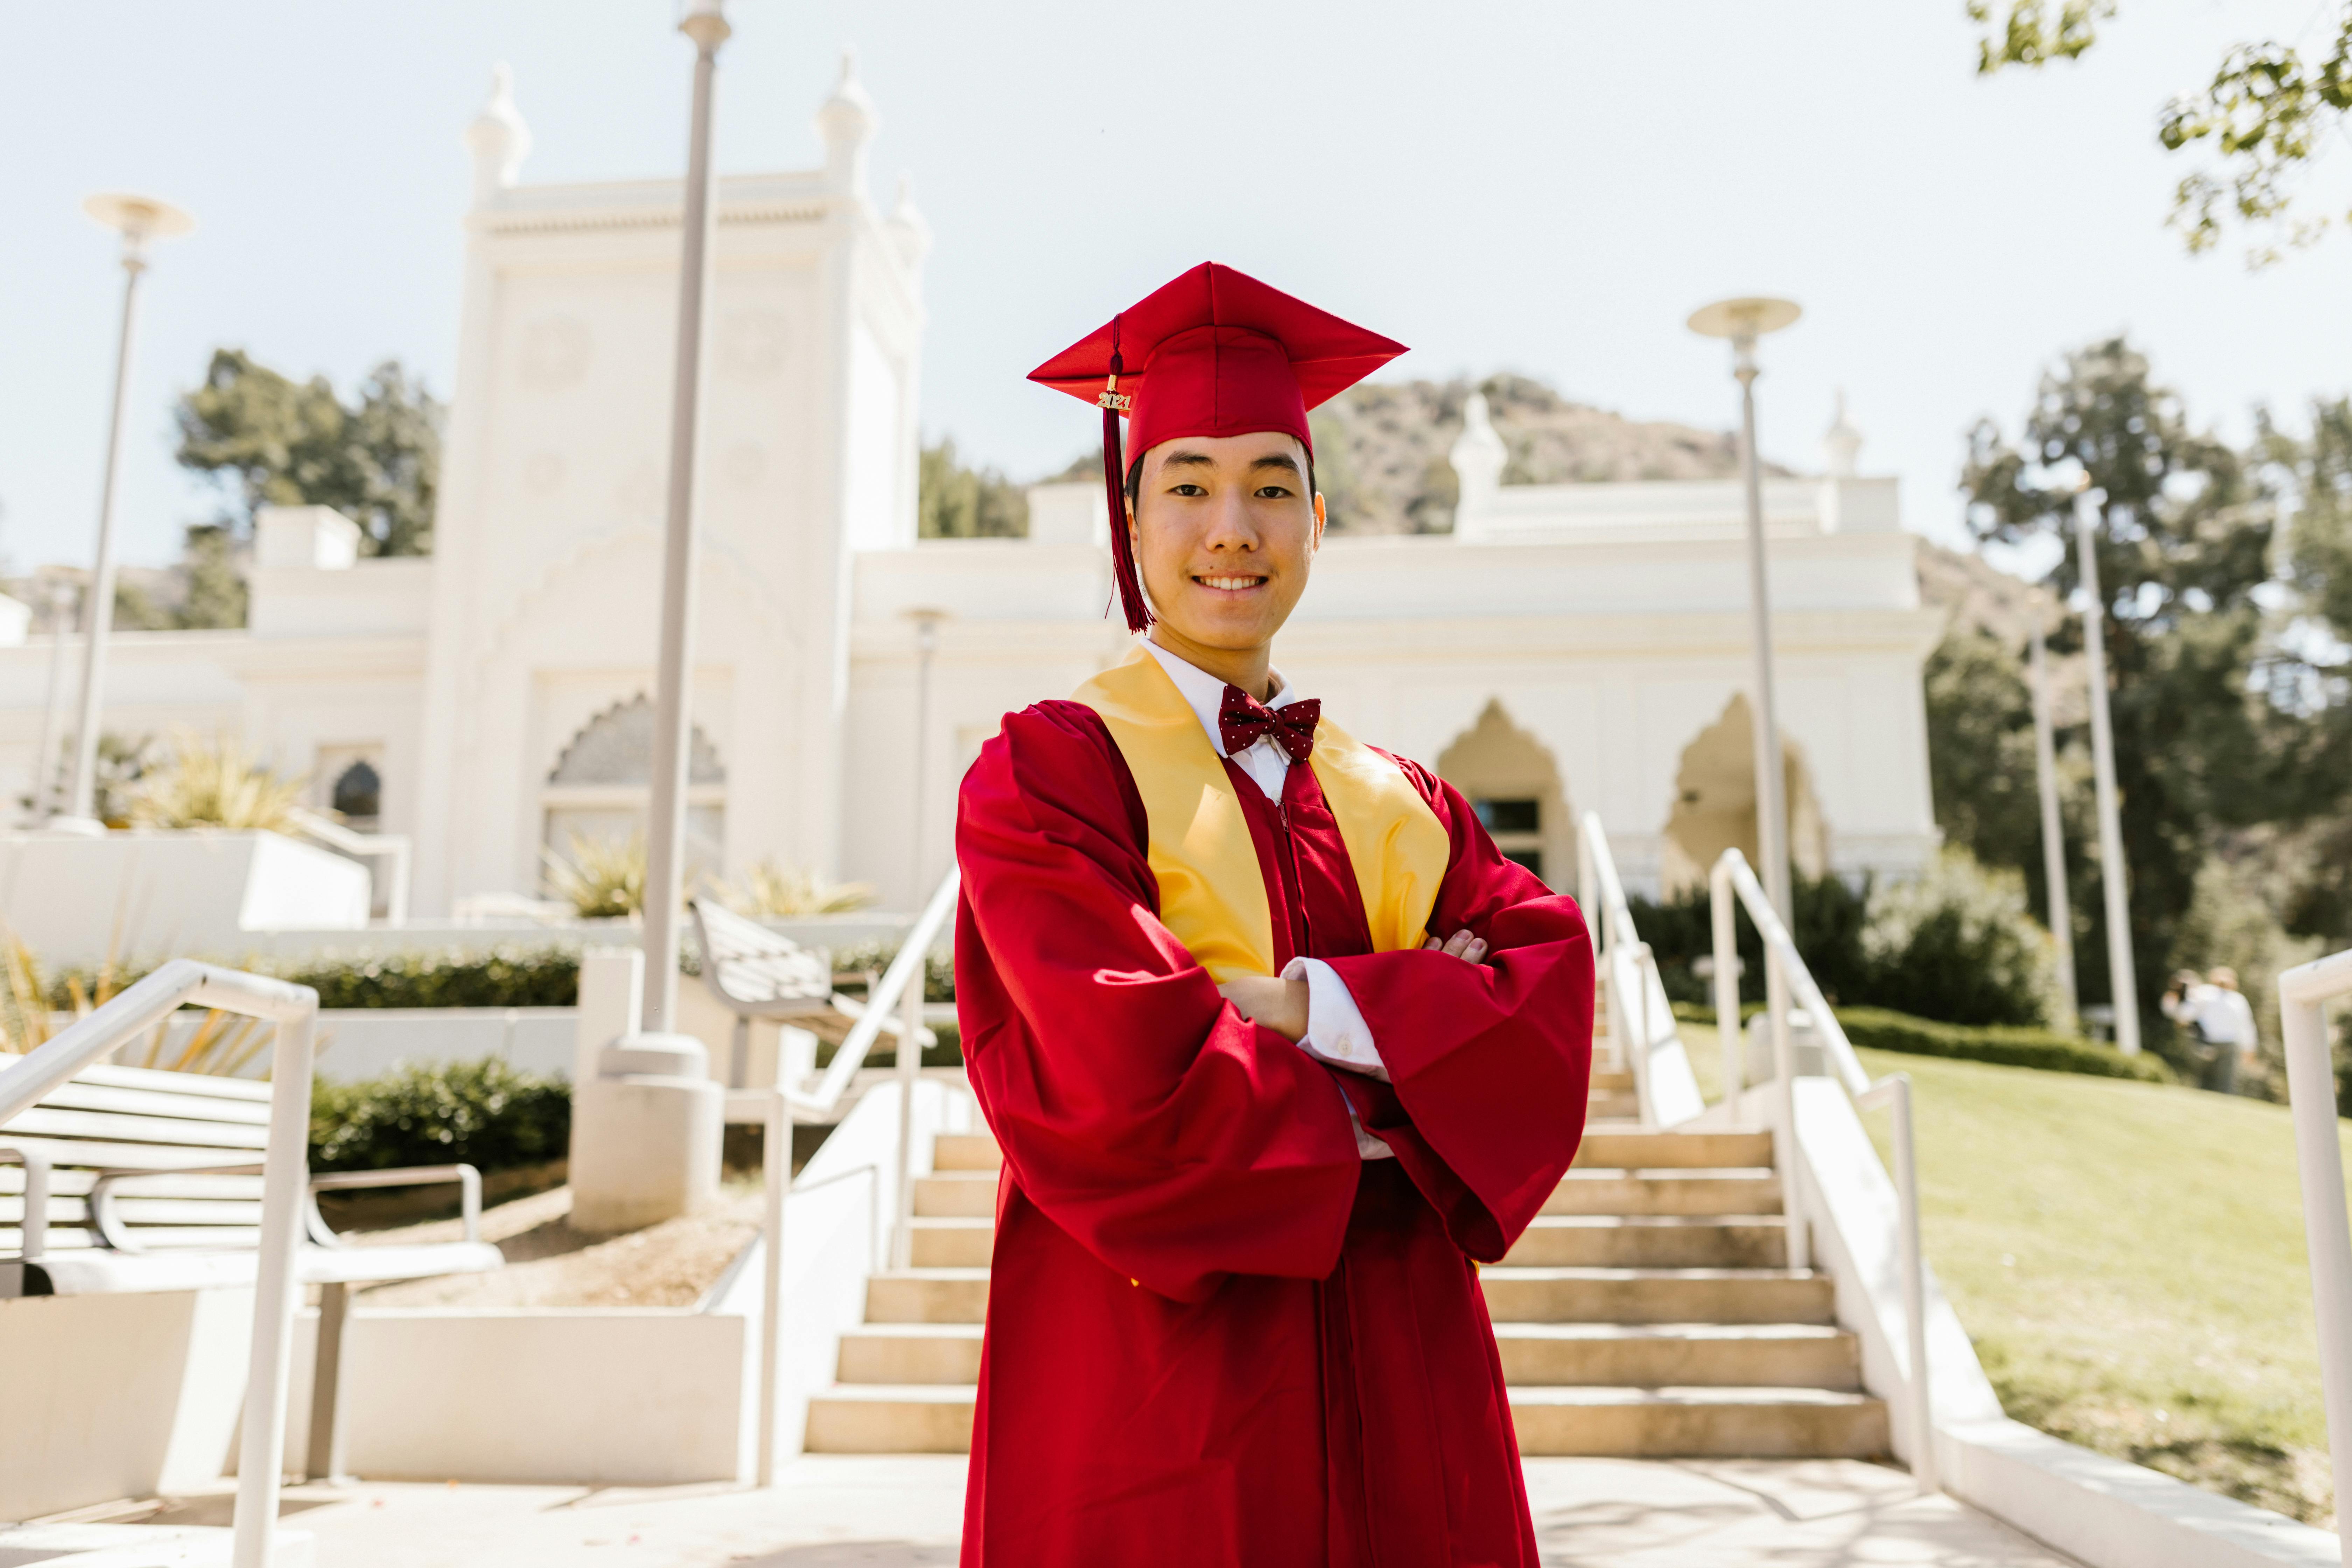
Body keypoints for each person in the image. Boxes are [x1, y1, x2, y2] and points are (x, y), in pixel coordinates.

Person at [952, 262, 1597, 1567]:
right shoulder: (1049, 774)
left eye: (1266, 487)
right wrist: (1411, 1047)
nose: (1227, 526)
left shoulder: (1402, 799)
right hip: (1165, 1371)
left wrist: (1303, 1007)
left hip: (1405, 1355)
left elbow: (1543, 990)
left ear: (1315, 522)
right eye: (1184, 485)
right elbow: (1117, 1064)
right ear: (1129, 530)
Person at [2161, 966, 2258, 1093]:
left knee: (2226, 1084)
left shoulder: (2238, 1000)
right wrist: (2172, 1002)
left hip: (2230, 1046)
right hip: (2208, 1044)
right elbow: (2184, 1013)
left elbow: (2246, 1025)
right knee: (2204, 1081)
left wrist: (2250, 1049)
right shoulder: (2204, 994)